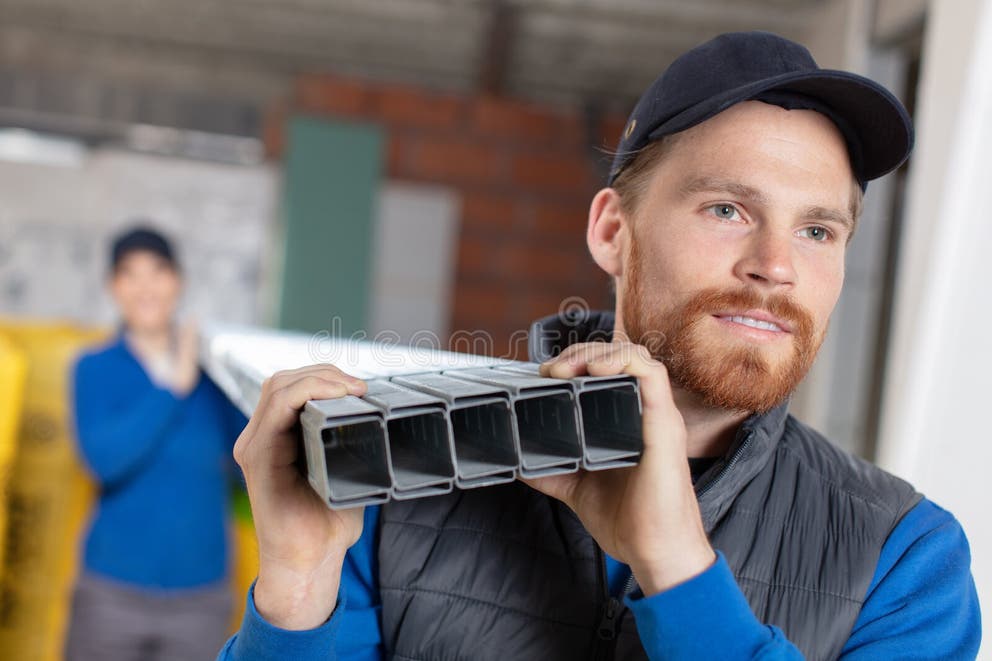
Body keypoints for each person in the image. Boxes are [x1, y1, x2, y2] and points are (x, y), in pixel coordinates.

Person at [219, 32, 981, 660]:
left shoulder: (906, 560)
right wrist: (295, 587)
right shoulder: (394, 474)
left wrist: (680, 570)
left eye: (818, 230)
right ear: (612, 231)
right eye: (725, 208)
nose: (776, 266)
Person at [67, 226, 247, 660]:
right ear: (114, 287)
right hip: (111, 593)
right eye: (130, 274)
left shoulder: (214, 376)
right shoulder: (94, 368)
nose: (145, 287)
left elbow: (247, 467)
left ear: (178, 281)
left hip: (201, 598)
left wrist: (236, 374)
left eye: (158, 271)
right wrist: (171, 388)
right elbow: (104, 461)